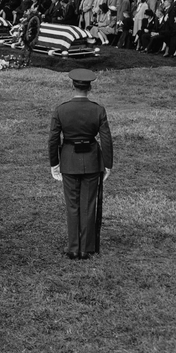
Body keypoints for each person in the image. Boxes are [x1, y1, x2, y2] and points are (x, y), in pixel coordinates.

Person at [48, 69, 113, 260]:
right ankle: (86, 248)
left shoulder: (61, 110)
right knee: (88, 204)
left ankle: (74, 247)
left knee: (72, 205)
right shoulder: (98, 110)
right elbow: (106, 139)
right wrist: (107, 164)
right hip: (92, 161)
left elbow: (53, 140)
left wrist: (54, 163)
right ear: (90, 87)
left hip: (69, 160)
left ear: (72, 85)